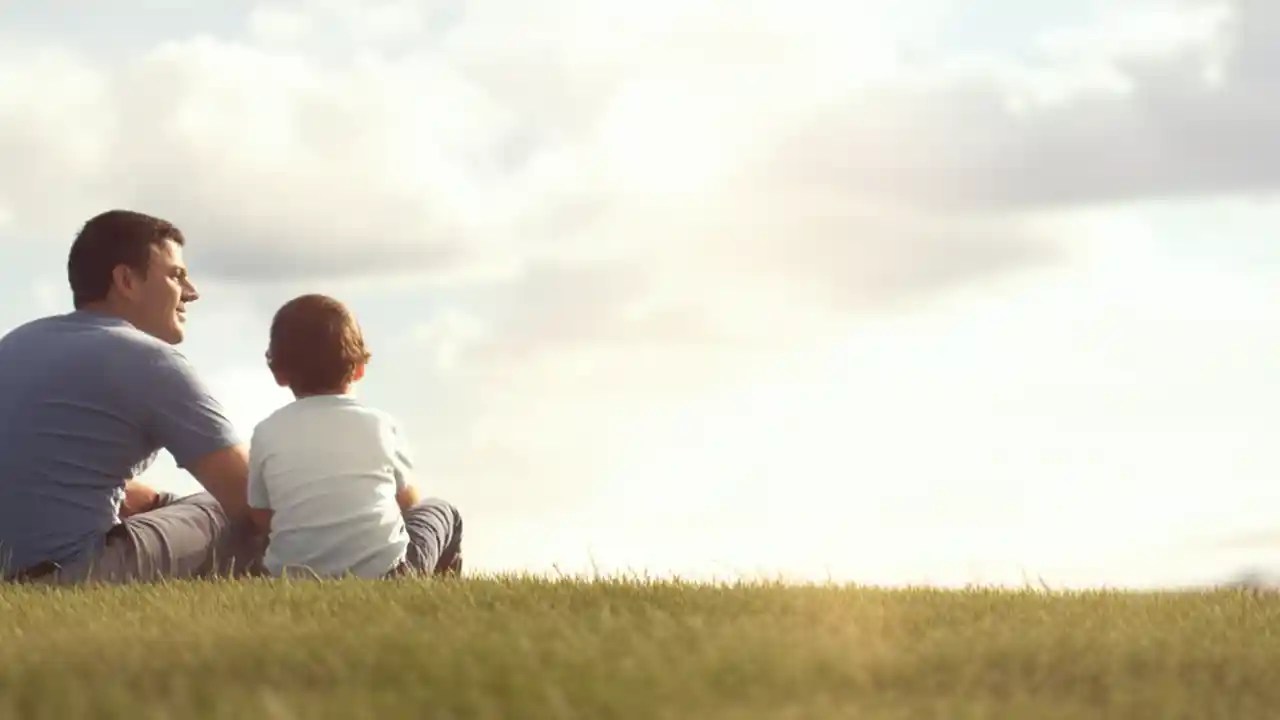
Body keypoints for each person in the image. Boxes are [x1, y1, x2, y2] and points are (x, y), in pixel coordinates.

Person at [0, 210, 262, 583]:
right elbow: (252, 500)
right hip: (70, 573)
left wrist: (154, 501)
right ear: (126, 280)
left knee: (171, 505)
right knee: (222, 510)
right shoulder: (148, 360)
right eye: (176, 275)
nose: (192, 292)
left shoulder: (17, 343)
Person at [247, 294, 462, 579]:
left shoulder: (266, 432)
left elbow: (261, 515)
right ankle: (438, 602)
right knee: (442, 510)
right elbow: (408, 501)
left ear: (279, 373)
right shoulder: (382, 426)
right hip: (388, 576)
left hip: (292, 575)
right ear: (359, 368)